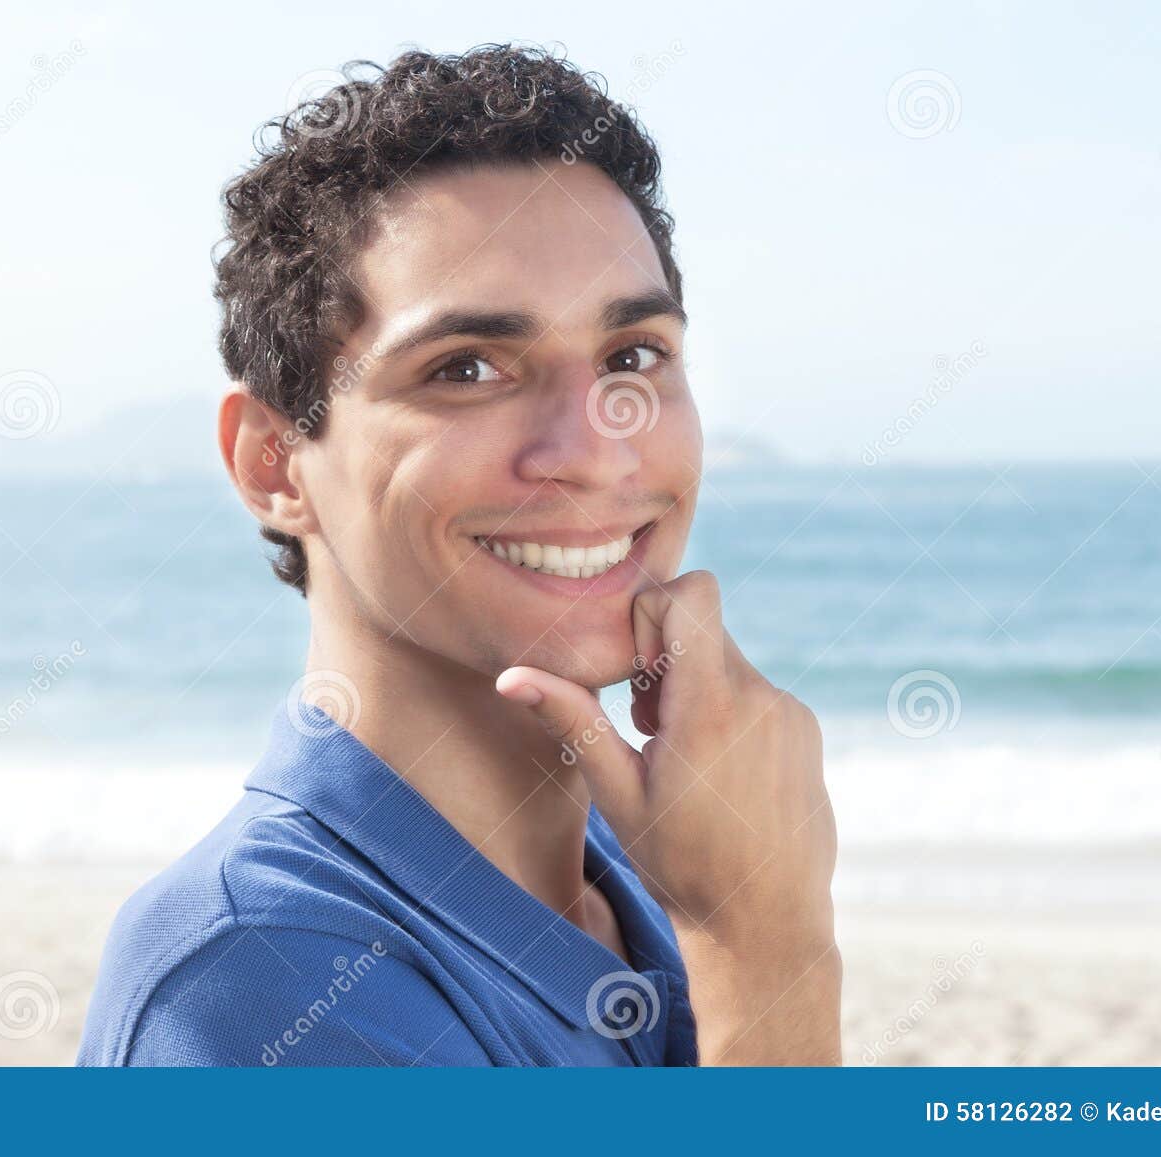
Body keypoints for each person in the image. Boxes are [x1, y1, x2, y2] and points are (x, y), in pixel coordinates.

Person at [78, 42, 839, 1067]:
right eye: (468, 367)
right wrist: (765, 948)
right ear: (275, 464)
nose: (594, 447)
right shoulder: (254, 985)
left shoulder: (634, 868)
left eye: (633, 355)